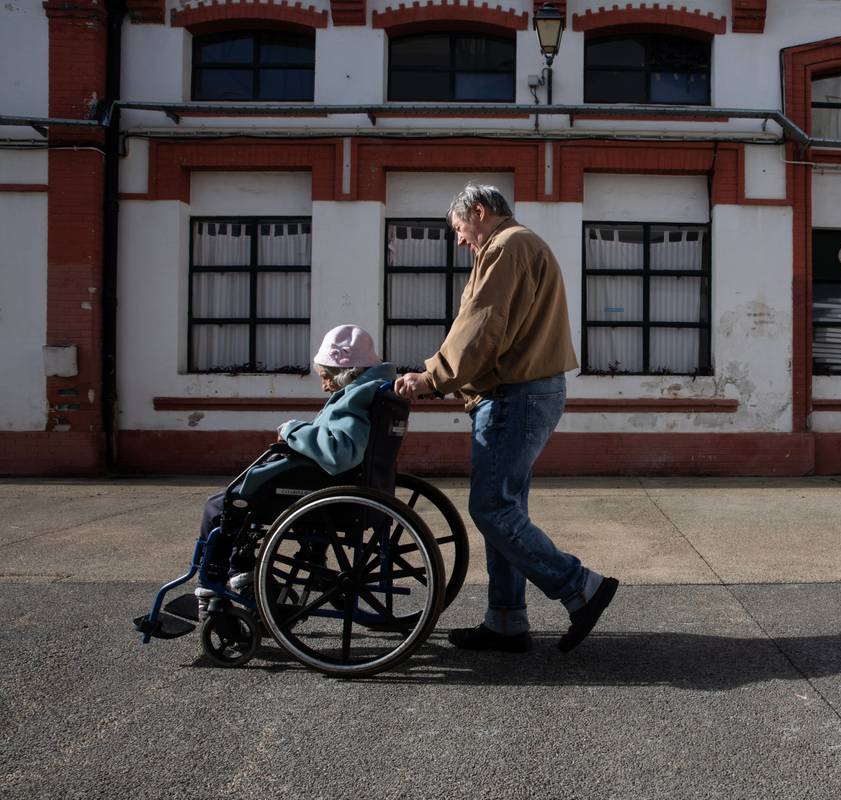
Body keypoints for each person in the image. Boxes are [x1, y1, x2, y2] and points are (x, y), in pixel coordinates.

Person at [394, 183, 618, 654]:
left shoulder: (506, 246)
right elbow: (484, 326)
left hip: (514, 394)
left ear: (479, 212)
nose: (459, 240)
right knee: (505, 510)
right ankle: (506, 620)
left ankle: (581, 587)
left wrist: (432, 377)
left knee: (492, 509)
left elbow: (481, 326)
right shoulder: (520, 244)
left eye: (459, 228)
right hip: (528, 392)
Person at [197, 324, 396, 594]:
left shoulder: (356, 399)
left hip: (325, 490)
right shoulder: (370, 392)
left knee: (219, 506)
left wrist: (292, 429)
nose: (325, 386)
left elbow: (341, 453)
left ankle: (218, 579)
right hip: (341, 487)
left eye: (326, 377)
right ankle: (310, 560)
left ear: (344, 374)